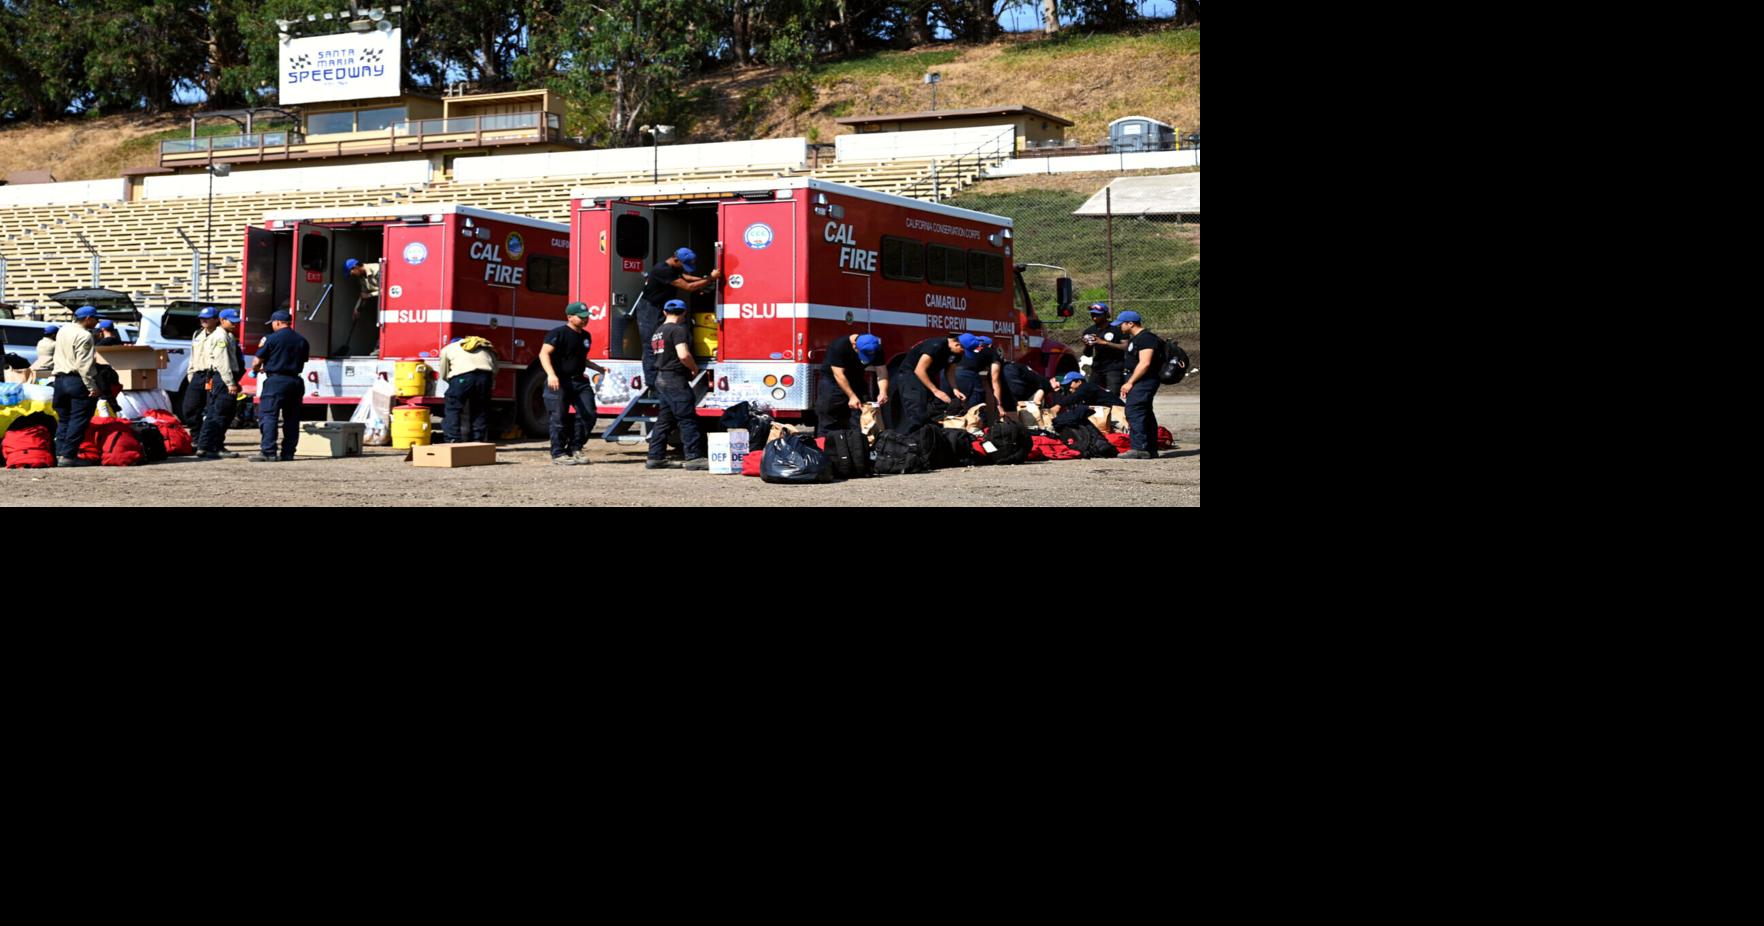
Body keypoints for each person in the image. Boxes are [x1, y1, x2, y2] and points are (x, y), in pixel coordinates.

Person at [630, 248, 718, 387]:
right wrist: (710, 279)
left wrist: (704, 280)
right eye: (684, 265)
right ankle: (652, 384)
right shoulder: (662, 269)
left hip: (661, 308)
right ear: (676, 260)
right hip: (649, 309)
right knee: (650, 345)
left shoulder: (673, 268)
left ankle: (674, 373)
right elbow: (688, 287)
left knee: (671, 339)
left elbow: (684, 277)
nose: (686, 269)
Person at [538, 301, 609, 466]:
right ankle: (558, 453)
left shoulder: (586, 336)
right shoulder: (557, 333)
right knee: (559, 418)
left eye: (587, 317)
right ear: (570, 317)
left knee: (589, 414)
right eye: (581, 317)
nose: (585, 320)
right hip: (559, 381)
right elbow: (543, 354)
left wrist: (598, 367)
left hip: (579, 381)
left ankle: (575, 448)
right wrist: (551, 375)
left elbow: (580, 357)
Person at [646, 299, 707, 470]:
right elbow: (683, 354)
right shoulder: (679, 330)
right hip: (674, 379)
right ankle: (694, 458)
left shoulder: (658, 331)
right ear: (684, 313)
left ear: (665, 312)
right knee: (687, 418)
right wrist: (694, 368)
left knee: (665, 419)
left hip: (661, 378)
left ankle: (655, 457)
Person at [249, 310, 309, 462]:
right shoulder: (302, 340)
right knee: (292, 418)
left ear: (276, 322)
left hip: (276, 382)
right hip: (295, 382)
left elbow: (256, 361)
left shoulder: (271, 339)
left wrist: (257, 370)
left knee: (269, 416)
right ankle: (288, 453)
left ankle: (268, 452)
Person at [51, 307, 103, 466]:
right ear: (87, 318)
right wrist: (92, 386)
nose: (97, 322)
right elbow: (84, 365)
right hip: (77, 381)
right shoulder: (85, 335)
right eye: (95, 318)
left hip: (59, 380)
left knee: (64, 419)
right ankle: (68, 456)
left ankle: (59, 453)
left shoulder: (63, 330)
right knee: (78, 420)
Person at [816, 333, 890, 436]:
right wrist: (852, 396)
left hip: (856, 378)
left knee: (863, 411)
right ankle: (824, 445)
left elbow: (881, 371)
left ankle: (859, 443)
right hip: (833, 380)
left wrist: (883, 392)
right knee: (829, 415)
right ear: (854, 345)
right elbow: (838, 374)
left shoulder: (876, 349)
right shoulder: (840, 346)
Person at [195, 309, 245, 459]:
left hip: (221, 379)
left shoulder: (226, 335)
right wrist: (230, 383)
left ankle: (206, 446)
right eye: (232, 322)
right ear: (222, 320)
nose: (235, 325)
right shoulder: (220, 337)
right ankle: (212, 446)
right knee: (221, 414)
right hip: (223, 379)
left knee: (218, 413)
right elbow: (222, 362)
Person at [891, 332, 964, 433]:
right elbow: (919, 370)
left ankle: (930, 438)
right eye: (963, 349)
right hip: (910, 376)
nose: (963, 353)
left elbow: (950, 371)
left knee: (934, 409)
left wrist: (955, 389)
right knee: (917, 411)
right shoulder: (936, 345)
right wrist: (936, 391)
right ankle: (912, 441)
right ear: (957, 344)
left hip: (927, 376)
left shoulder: (957, 352)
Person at [1116, 310, 1165, 459]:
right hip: (1139, 379)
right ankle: (1150, 448)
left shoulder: (1146, 338)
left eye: (1121, 324)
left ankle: (1139, 448)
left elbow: (1145, 363)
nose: (1119, 327)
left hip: (1144, 380)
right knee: (1145, 412)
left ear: (1131, 323)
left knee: (1134, 410)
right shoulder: (1136, 338)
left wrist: (1130, 382)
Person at [435, 335, 497, 444]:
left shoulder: (449, 348)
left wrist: (451, 382)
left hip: (462, 377)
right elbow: (495, 367)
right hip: (485, 376)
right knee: (480, 408)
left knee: (453, 408)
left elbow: (443, 371)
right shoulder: (482, 346)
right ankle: (478, 439)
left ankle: (452, 438)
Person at [183, 307, 224, 429]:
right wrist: (190, 373)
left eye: (207, 318)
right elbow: (193, 355)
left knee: (212, 409)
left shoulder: (221, 335)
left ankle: (208, 440)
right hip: (198, 375)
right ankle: (196, 437)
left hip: (213, 375)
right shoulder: (198, 334)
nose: (203, 320)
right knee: (189, 408)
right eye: (202, 318)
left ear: (216, 320)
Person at [1079, 303, 1128, 397]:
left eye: (1097, 315)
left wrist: (1105, 342)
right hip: (1097, 367)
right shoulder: (1089, 331)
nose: (1094, 317)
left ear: (1106, 314)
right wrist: (1087, 345)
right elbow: (1087, 354)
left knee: (1112, 395)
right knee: (1091, 394)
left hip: (1115, 367)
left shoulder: (1117, 328)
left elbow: (1126, 347)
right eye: (1092, 314)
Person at [339, 258, 382, 355]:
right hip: (379, 302)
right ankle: (378, 347)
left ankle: (380, 347)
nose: (352, 275)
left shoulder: (378, 270)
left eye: (351, 272)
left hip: (390, 303)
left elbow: (387, 289)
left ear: (356, 267)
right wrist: (356, 309)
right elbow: (363, 293)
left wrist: (369, 295)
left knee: (384, 323)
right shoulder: (361, 277)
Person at [952, 333, 1001, 415]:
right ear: (990, 345)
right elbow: (995, 380)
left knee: (953, 407)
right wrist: (999, 405)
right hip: (967, 376)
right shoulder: (990, 351)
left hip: (948, 375)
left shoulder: (965, 348)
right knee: (976, 410)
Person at [1045, 371, 1123, 416]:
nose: (1069, 388)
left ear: (1079, 382)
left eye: (1070, 384)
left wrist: (1059, 405)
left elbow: (1075, 397)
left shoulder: (1087, 386)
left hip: (1119, 411)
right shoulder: (1085, 391)